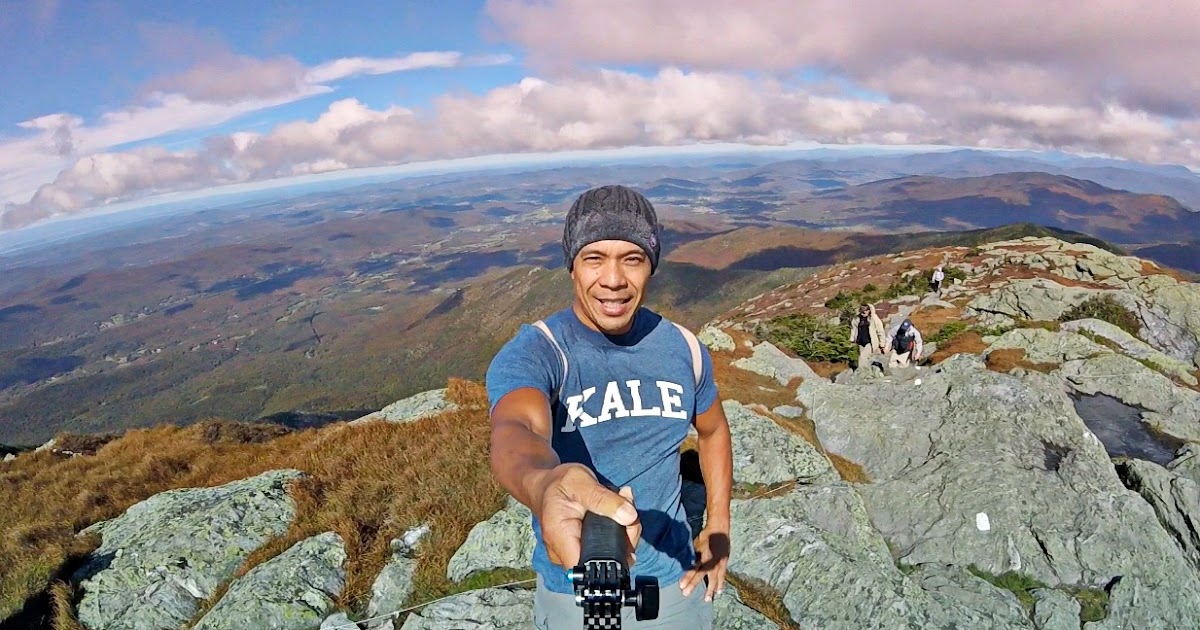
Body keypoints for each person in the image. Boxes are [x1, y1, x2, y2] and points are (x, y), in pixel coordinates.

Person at [485, 185, 733, 629]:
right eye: (594, 258)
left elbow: (713, 431)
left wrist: (717, 525)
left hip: (674, 586)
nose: (614, 280)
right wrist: (545, 485)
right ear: (573, 268)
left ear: (651, 267)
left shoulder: (685, 348)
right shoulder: (540, 352)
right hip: (572, 589)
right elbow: (515, 428)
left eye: (632, 259)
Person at [848, 303, 885, 371]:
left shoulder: (874, 319)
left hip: (870, 342)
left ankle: (862, 373)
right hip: (860, 342)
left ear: (870, 310)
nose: (864, 312)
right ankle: (870, 372)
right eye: (862, 310)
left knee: (862, 358)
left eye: (866, 310)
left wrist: (882, 345)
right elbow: (853, 329)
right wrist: (852, 339)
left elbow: (880, 332)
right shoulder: (857, 319)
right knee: (866, 358)